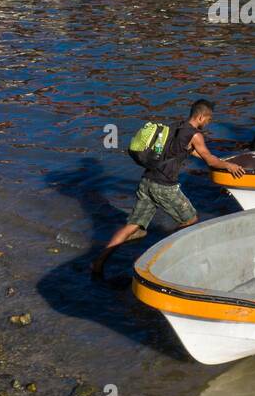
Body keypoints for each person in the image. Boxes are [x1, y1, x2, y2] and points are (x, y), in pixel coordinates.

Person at [91, 100, 244, 276]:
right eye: (209, 119)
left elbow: (193, 153)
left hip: (147, 181)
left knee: (133, 225)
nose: (208, 123)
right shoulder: (195, 135)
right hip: (164, 186)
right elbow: (208, 159)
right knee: (190, 219)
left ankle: (98, 262)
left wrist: (216, 159)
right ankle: (156, 259)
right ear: (201, 116)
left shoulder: (174, 127)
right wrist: (228, 166)